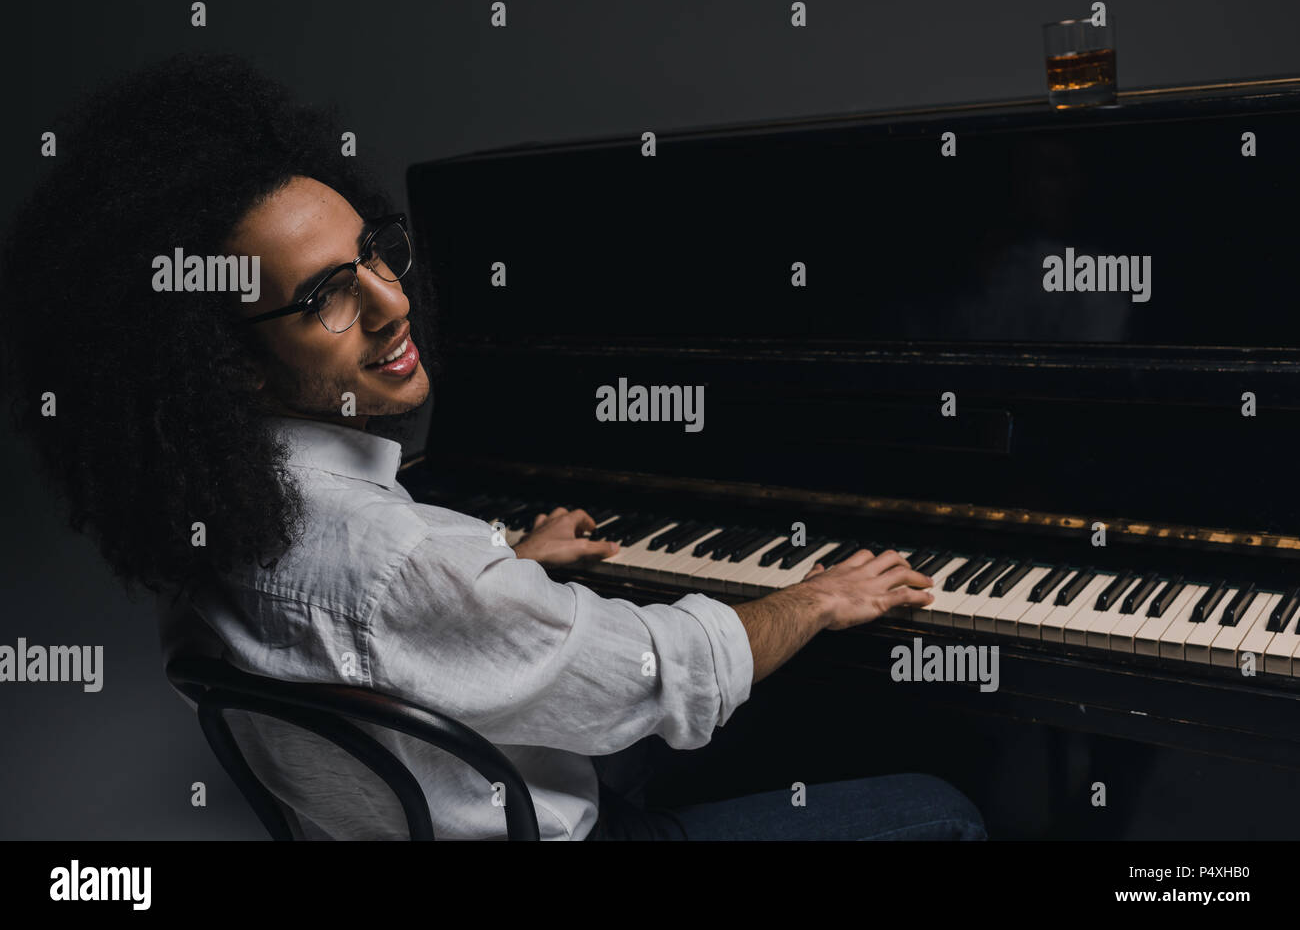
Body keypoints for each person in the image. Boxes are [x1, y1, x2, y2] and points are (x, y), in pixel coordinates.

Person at [1, 52, 985, 840]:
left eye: (373, 253)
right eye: (322, 298)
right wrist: (816, 595)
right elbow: (661, 666)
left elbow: (359, 630)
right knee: (943, 808)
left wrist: (503, 571)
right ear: (230, 368)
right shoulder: (400, 562)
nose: (392, 301)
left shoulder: (209, 516)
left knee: (753, 740)